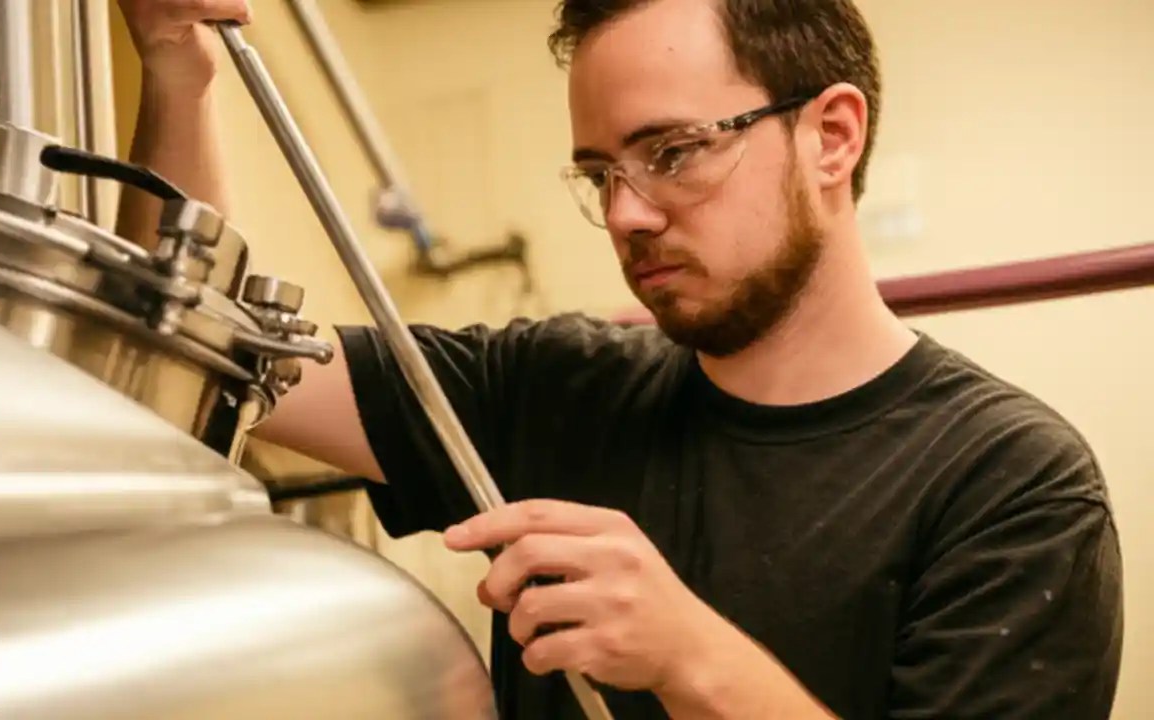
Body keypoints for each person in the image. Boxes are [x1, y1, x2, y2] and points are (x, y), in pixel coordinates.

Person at [115, 0, 1124, 718]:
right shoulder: (550, 389)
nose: (627, 214)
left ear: (830, 135)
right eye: (600, 173)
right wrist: (174, 66)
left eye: (673, 152)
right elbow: (191, 345)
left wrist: (692, 659)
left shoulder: (1010, 481)